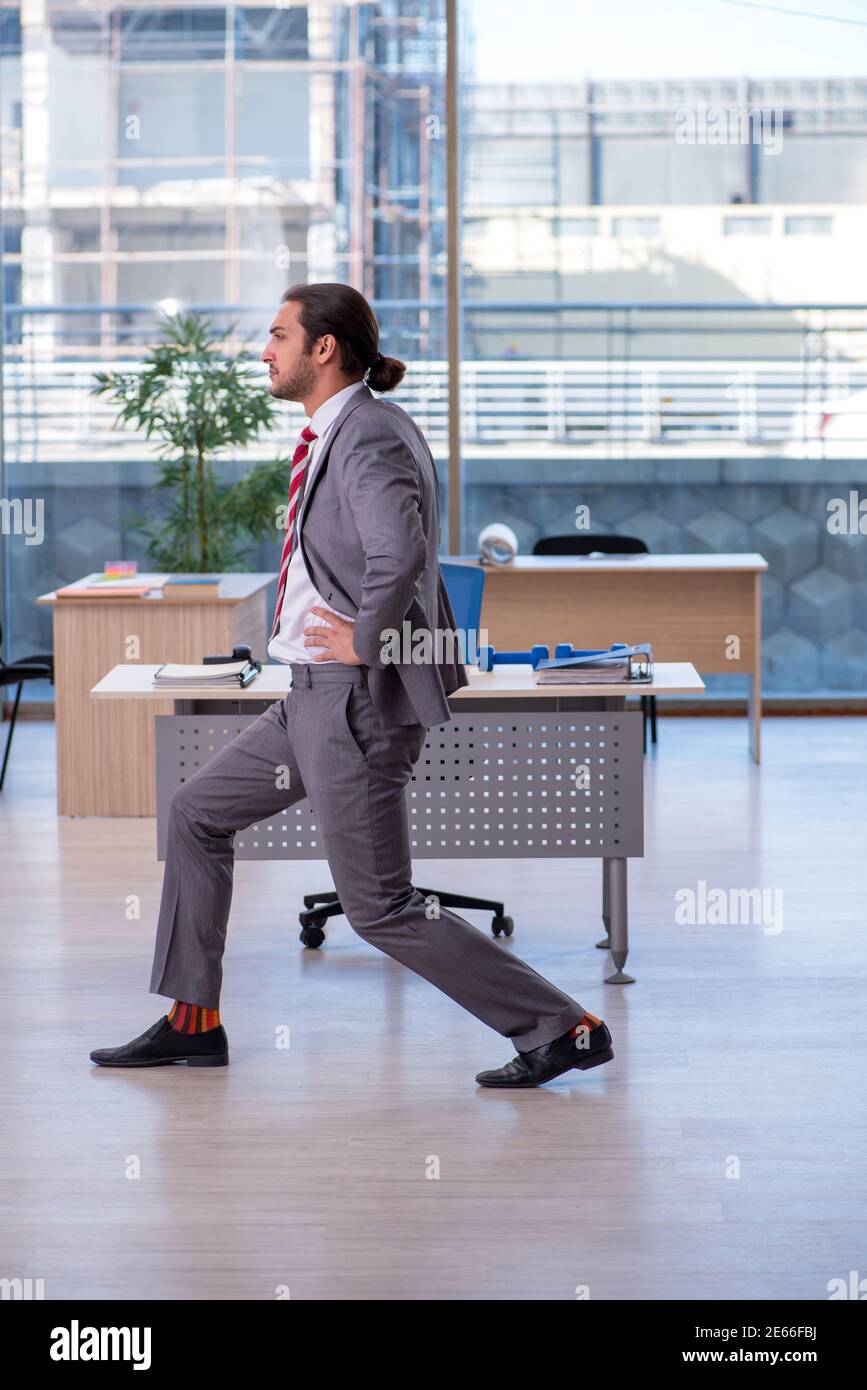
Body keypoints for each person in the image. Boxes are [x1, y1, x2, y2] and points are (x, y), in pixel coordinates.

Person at [90, 282, 613, 1088]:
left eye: (276, 335)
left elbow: (397, 553)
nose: (264, 352)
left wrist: (363, 638)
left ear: (323, 348)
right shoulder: (336, 432)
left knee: (379, 907)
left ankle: (561, 1028)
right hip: (307, 695)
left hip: (350, 700)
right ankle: (193, 1020)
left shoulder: (367, 434)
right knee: (197, 813)